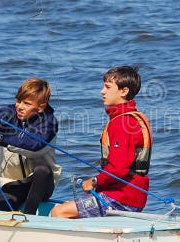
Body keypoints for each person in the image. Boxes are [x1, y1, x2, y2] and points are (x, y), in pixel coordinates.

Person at [50, 66, 152, 218]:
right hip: (131, 197)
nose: (102, 91)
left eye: (107, 87)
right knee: (70, 207)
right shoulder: (133, 117)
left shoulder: (122, 123)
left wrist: (95, 181)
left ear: (123, 91)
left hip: (120, 198)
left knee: (59, 212)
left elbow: (119, 168)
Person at [0, 78, 61, 214]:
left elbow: (33, 145)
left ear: (41, 107)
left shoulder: (49, 123)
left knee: (42, 169)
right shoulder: (8, 113)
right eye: (18, 100)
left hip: (41, 185)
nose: (19, 106)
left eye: (26, 103)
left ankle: (29, 216)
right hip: (13, 184)